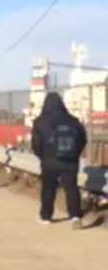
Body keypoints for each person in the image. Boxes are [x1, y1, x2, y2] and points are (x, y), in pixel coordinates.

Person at [31, 92, 87, 228]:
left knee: (48, 188)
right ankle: (75, 216)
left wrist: (43, 157)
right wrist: (74, 154)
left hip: (49, 161)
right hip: (70, 161)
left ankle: (46, 217)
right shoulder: (73, 121)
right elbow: (83, 140)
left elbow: (35, 145)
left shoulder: (40, 122)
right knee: (71, 188)